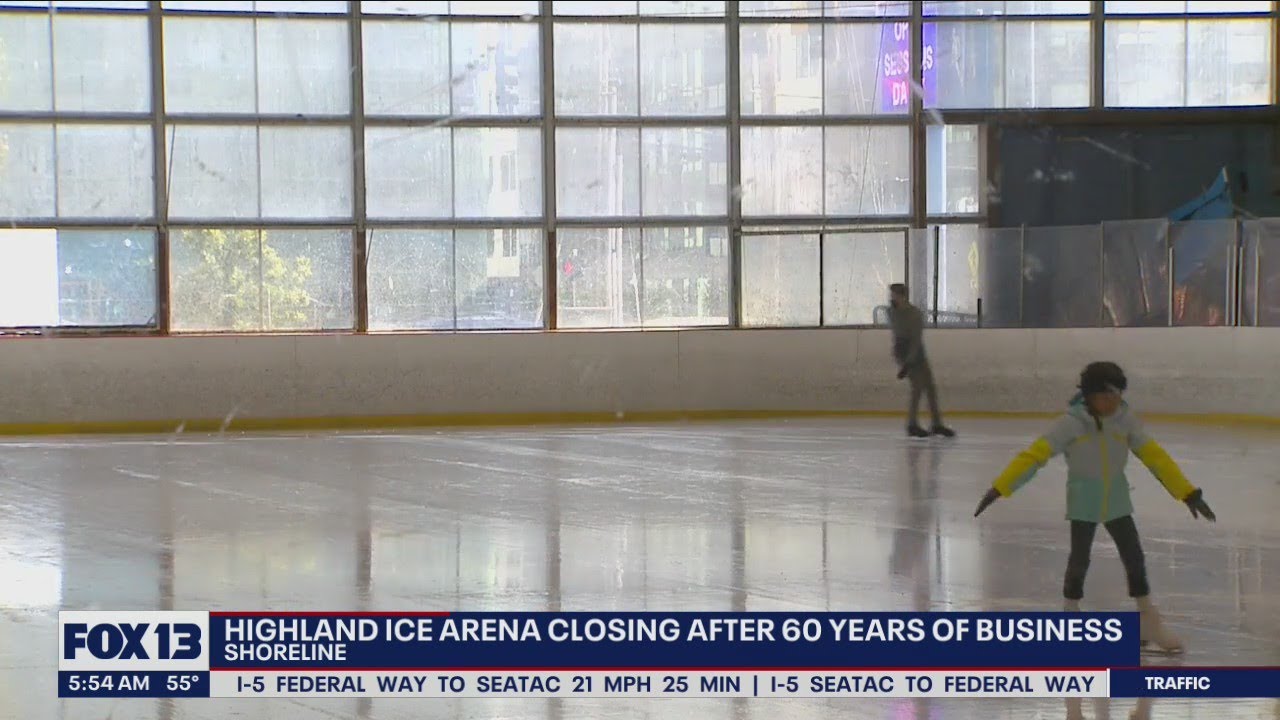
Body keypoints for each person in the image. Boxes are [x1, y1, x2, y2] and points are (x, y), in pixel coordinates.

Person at [973, 361, 1216, 653]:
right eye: (1107, 395)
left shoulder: (1125, 420)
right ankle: (1071, 618)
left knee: (1134, 558)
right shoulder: (1071, 424)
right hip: (1083, 502)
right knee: (1079, 562)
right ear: (1089, 395)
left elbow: (1155, 457)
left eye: (1117, 395)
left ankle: (1147, 621)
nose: (1114, 402)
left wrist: (1187, 493)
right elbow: (1034, 456)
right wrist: (1001, 486)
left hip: (1116, 499)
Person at [887, 283, 954, 438]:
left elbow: (916, 339)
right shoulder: (892, 312)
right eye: (891, 295)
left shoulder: (914, 314)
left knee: (930, 387)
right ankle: (912, 424)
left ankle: (936, 424)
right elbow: (898, 329)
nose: (891, 298)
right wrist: (905, 362)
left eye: (895, 295)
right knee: (917, 387)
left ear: (903, 296)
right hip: (902, 351)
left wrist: (909, 362)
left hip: (916, 351)